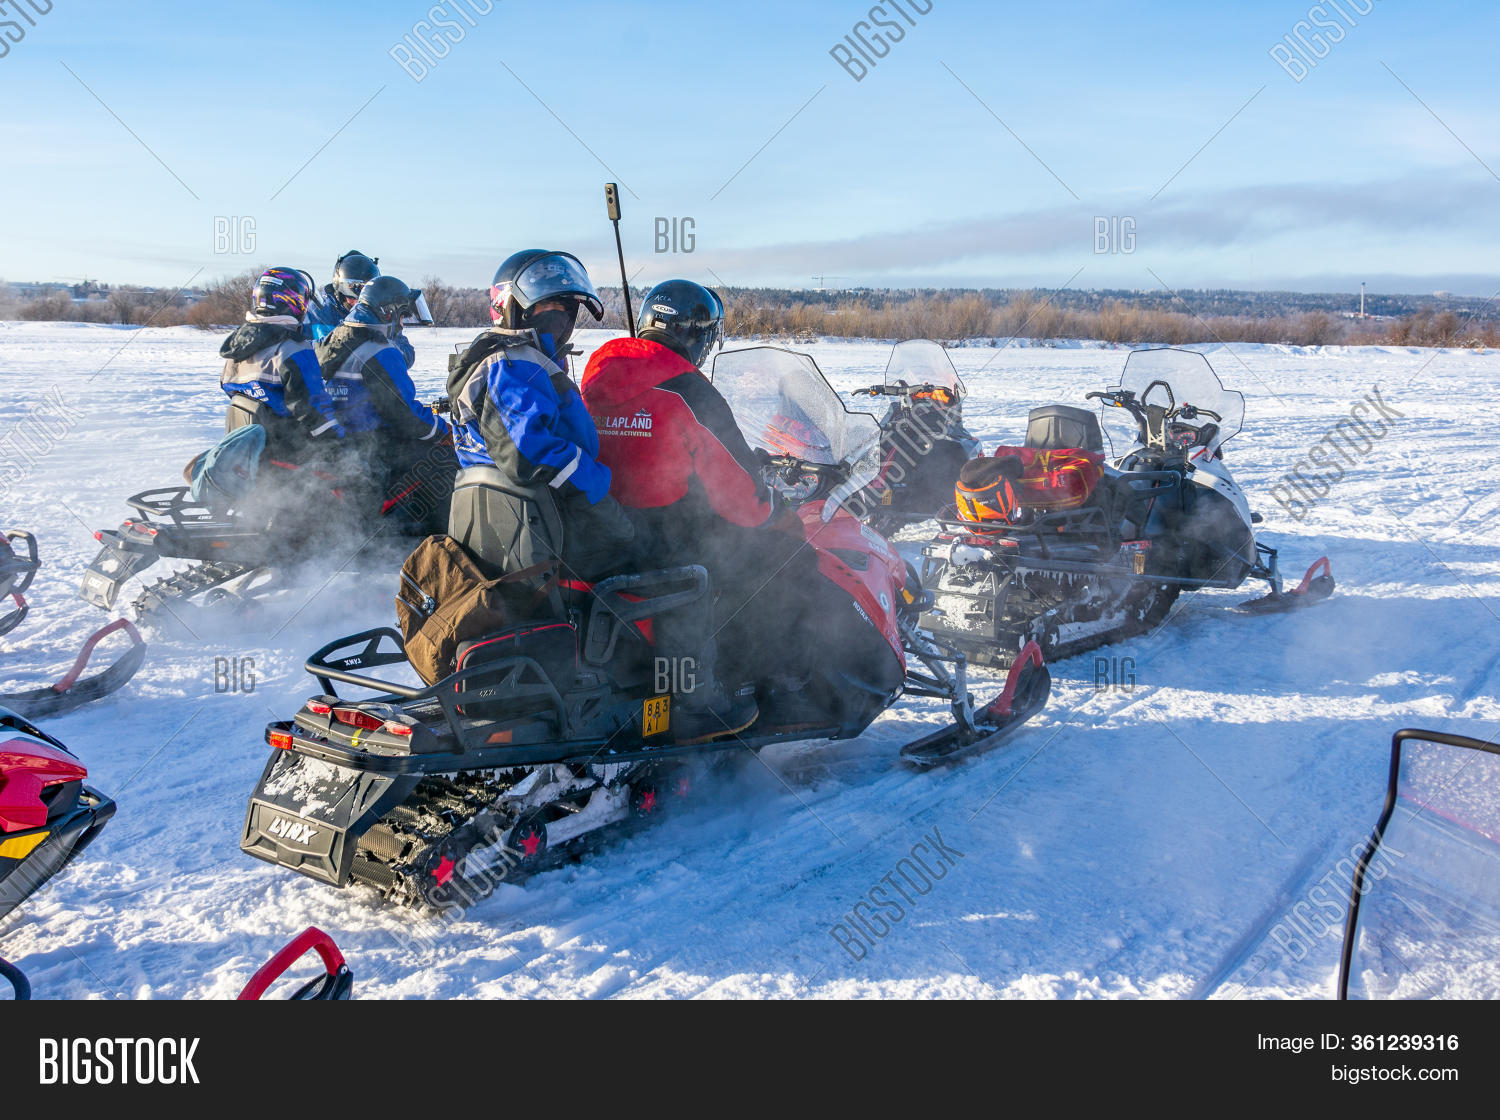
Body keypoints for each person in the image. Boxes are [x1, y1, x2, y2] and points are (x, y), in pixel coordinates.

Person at [581, 279, 815, 737]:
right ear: (696, 336)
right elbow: (743, 498)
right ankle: (761, 687)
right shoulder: (690, 392)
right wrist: (779, 513)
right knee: (788, 558)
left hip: (603, 530)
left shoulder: (594, 378)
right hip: (665, 540)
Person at [446, 249, 637, 583]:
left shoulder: (528, 360)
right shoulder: (511, 364)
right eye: (544, 307)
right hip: (550, 522)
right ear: (512, 308)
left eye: (563, 308)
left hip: (530, 521)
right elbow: (531, 454)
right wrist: (599, 495)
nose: (558, 318)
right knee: (653, 549)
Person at [316, 275, 454, 533]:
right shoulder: (379, 351)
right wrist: (443, 430)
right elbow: (403, 415)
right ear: (388, 312)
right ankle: (434, 534)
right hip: (375, 443)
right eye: (402, 316)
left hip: (344, 440)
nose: (402, 324)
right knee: (445, 456)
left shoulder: (338, 340)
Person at [219, 266, 344, 464]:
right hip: (288, 457)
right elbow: (313, 411)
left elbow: (230, 389)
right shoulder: (293, 349)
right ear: (293, 301)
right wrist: (342, 443)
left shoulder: (237, 349)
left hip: (248, 454)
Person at [306, 249, 416, 367]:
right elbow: (300, 351)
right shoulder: (319, 312)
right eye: (353, 290)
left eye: (364, 292)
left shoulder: (378, 313)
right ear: (340, 291)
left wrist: (386, 349)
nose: (358, 303)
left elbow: (406, 354)